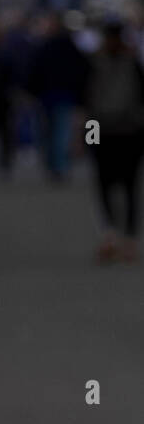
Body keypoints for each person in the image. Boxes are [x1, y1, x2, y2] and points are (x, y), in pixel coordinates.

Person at [85, 21, 144, 263]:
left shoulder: (95, 63)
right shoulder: (132, 63)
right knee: (130, 186)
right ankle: (128, 239)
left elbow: (87, 102)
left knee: (104, 184)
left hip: (103, 130)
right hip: (130, 131)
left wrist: (89, 139)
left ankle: (110, 235)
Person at [30, 12, 90, 182]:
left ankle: (55, 165)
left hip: (50, 96)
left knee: (51, 132)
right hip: (60, 95)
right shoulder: (67, 46)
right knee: (59, 132)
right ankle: (59, 166)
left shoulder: (44, 46)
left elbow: (34, 71)